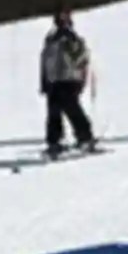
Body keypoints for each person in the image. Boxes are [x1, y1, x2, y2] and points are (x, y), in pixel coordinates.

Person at [40, 10, 96, 155]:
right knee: (53, 112)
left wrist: (71, 43)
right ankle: (54, 141)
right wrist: (44, 81)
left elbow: (81, 58)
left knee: (72, 109)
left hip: (69, 79)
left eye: (64, 19)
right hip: (54, 81)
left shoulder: (72, 38)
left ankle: (85, 137)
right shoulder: (51, 39)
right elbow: (45, 61)